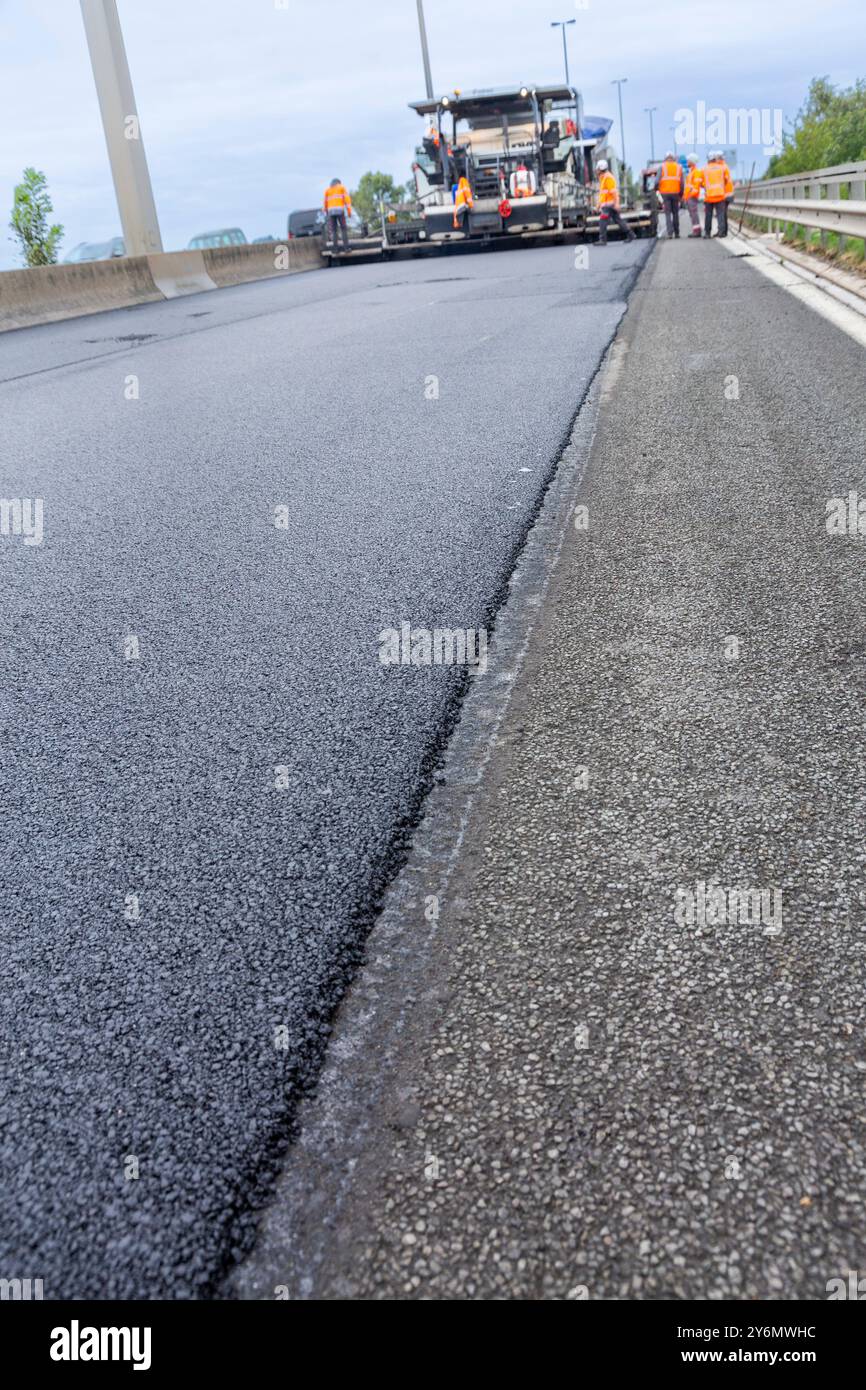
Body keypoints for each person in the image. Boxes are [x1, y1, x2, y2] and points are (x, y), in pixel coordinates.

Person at [596, 159, 636, 245]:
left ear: (601, 168)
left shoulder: (607, 177)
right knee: (618, 220)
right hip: (608, 204)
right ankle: (631, 235)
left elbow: (613, 192)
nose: (596, 170)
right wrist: (598, 205)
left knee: (602, 221)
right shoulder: (603, 178)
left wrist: (617, 203)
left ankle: (602, 240)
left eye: (597, 168)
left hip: (609, 205)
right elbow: (603, 194)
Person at [703, 151, 734, 237]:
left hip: (709, 196)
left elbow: (702, 182)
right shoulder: (722, 168)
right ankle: (721, 232)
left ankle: (707, 233)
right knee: (720, 215)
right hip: (720, 195)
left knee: (708, 215)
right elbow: (726, 180)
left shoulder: (705, 169)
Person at [657, 151, 684, 238]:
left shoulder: (662, 167)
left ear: (665, 159)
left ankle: (669, 233)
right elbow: (682, 182)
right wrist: (681, 194)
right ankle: (677, 233)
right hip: (676, 192)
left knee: (667, 213)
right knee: (675, 213)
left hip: (665, 193)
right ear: (673, 158)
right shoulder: (679, 167)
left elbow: (657, 180)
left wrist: (655, 188)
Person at [323, 178, 353, 253]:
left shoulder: (327, 190)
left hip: (331, 212)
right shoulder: (341, 188)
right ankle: (346, 248)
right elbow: (347, 200)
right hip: (340, 211)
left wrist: (326, 212)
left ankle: (335, 250)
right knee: (343, 229)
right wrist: (349, 212)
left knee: (334, 231)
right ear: (338, 183)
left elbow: (325, 203)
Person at [683, 154, 703, 237]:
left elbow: (696, 185)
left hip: (692, 196)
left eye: (688, 161)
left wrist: (691, 195)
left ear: (692, 161)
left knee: (694, 214)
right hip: (689, 196)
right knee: (692, 214)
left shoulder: (696, 172)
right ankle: (696, 230)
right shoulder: (691, 172)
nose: (687, 162)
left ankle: (697, 231)